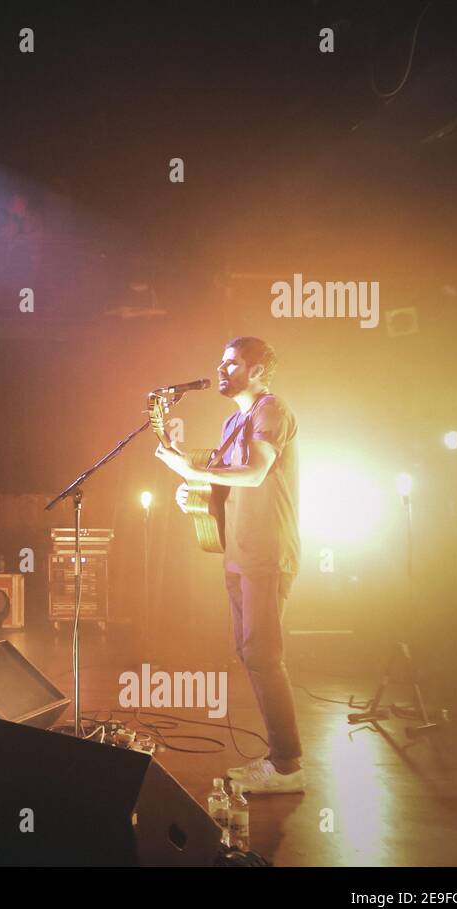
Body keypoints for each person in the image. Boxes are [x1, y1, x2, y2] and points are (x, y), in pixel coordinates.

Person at [156, 336, 302, 794]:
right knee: (251, 656)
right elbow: (219, 484)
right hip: (239, 553)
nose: (222, 370)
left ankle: (289, 767)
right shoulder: (233, 421)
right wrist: (190, 493)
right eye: (221, 362)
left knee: (264, 656)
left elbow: (256, 473)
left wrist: (194, 474)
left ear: (258, 371)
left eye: (233, 364)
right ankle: (282, 761)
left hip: (265, 552)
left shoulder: (270, 410)